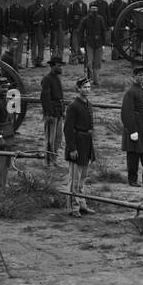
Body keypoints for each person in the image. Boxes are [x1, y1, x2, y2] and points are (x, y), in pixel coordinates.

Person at [63, 77, 96, 216]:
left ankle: (82, 205)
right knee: (74, 180)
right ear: (78, 89)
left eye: (88, 87)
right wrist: (72, 148)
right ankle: (73, 207)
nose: (87, 89)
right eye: (84, 87)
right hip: (77, 144)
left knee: (82, 179)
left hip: (86, 144)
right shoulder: (73, 106)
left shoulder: (88, 104)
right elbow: (68, 129)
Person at [121, 67, 143, 186]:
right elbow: (126, 113)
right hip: (135, 126)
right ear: (134, 76)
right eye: (140, 75)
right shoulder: (130, 92)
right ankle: (132, 180)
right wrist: (132, 130)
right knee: (133, 154)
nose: (142, 77)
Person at [81, 3, 108, 86]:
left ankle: (96, 80)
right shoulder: (85, 19)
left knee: (97, 62)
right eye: (92, 9)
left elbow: (103, 31)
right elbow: (80, 31)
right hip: (89, 43)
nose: (94, 10)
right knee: (89, 62)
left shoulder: (100, 19)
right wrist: (82, 45)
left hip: (99, 43)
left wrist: (104, 43)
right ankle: (89, 79)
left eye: (95, 9)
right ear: (90, 9)